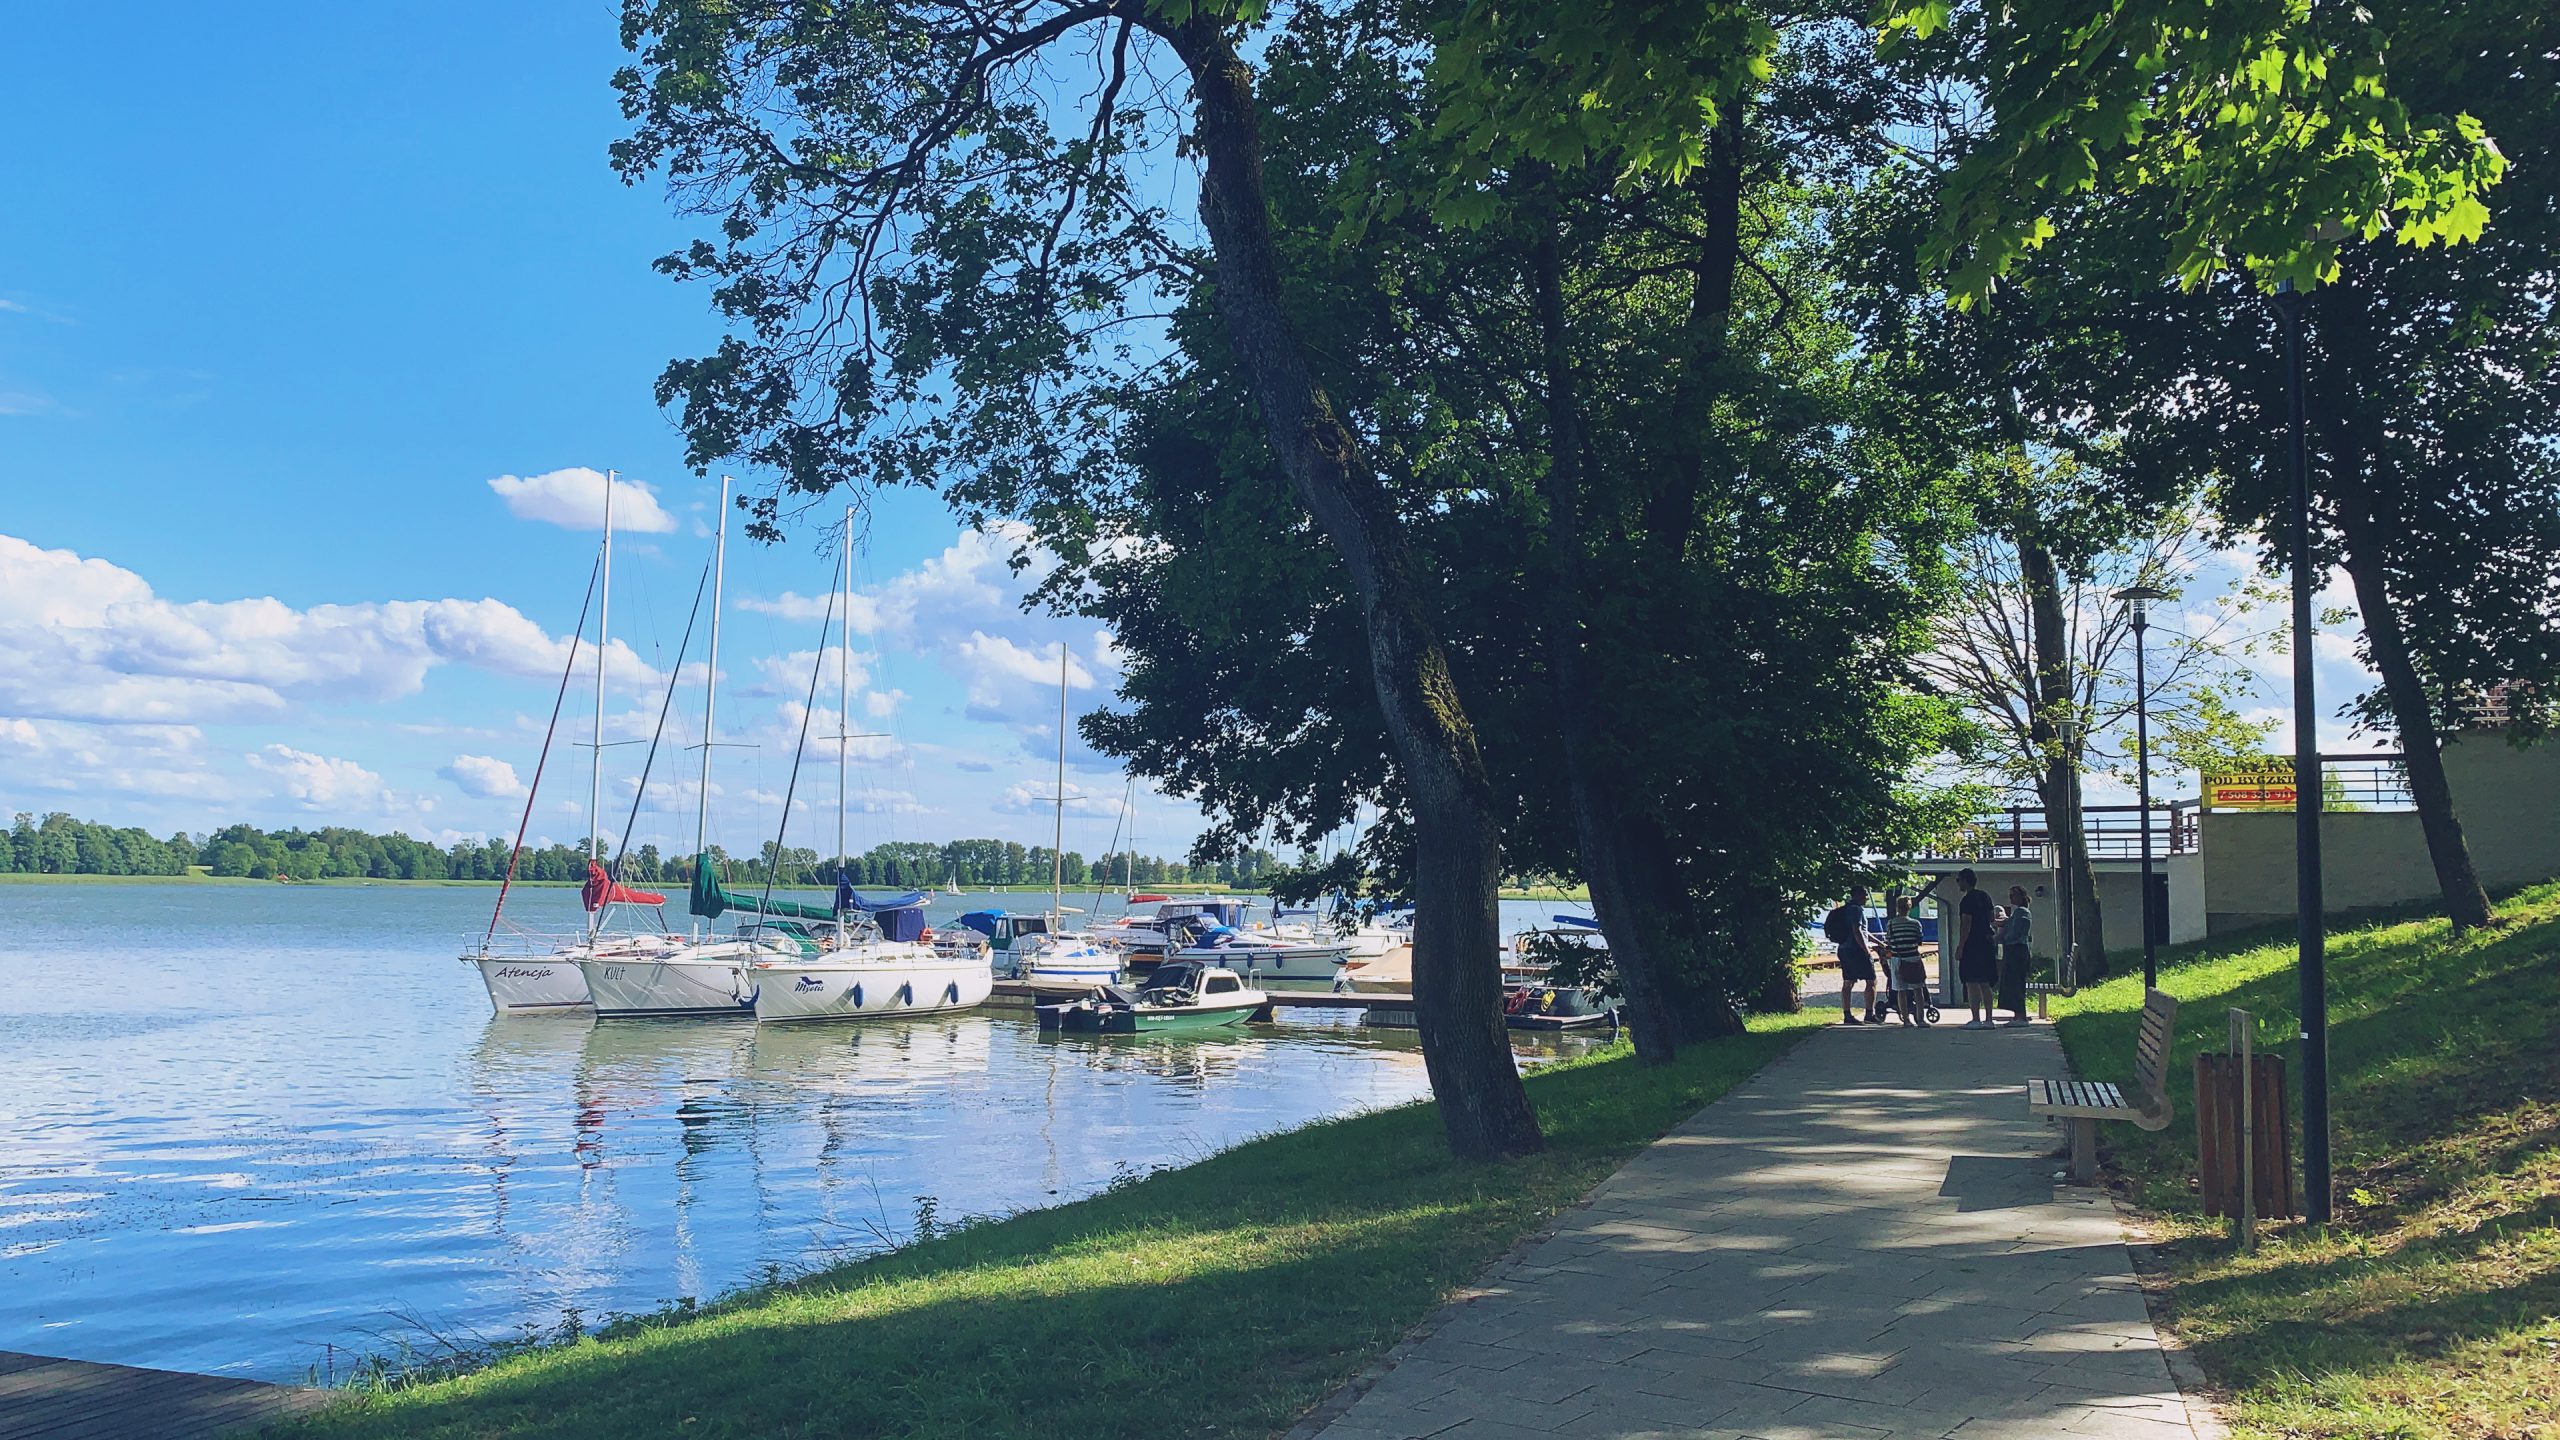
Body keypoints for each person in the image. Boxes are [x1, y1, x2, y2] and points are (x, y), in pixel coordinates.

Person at [1824, 888, 1878, 1025]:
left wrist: (1881, 944)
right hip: (1857, 950)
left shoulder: (1847, 909)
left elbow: (1864, 931)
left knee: (1848, 982)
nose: (1866, 897)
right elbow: (1857, 931)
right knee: (1871, 981)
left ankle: (1847, 1015)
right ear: (1858, 895)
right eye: (1865, 895)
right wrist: (1866, 951)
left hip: (1844, 949)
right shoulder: (1857, 910)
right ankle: (1869, 1014)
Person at [1954, 868, 1997, 1028]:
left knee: (1971, 982)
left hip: (1973, 944)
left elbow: (1966, 924)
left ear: (1966, 880)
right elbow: (1992, 918)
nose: (1958, 883)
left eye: (1959, 880)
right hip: (1987, 942)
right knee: (1985, 982)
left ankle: (1976, 1018)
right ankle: (1989, 1019)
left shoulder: (1967, 901)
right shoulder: (1985, 896)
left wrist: (1961, 946)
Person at [1884, 894, 1929, 1026]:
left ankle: (1906, 1020)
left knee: (1901, 991)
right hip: (1913, 958)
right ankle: (1920, 1019)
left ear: (1897, 907)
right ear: (1909, 908)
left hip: (1898, 959)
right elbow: (1919, 941)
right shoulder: (1915, 924)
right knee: (1918, 990)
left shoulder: (1891, 923)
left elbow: (1889, 941)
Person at [1998, 885, 2034, 1024]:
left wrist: (2002, 938)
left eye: (2013, 895)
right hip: (2015, 951)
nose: (2011, 898)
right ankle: (2017, 1014)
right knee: (2012, 983)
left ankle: (2020, 1015)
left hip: (2017, 951)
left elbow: (2016, 932)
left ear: (2021, 897)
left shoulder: (2022, 912)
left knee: (2016, 983)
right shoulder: (2017, 913)